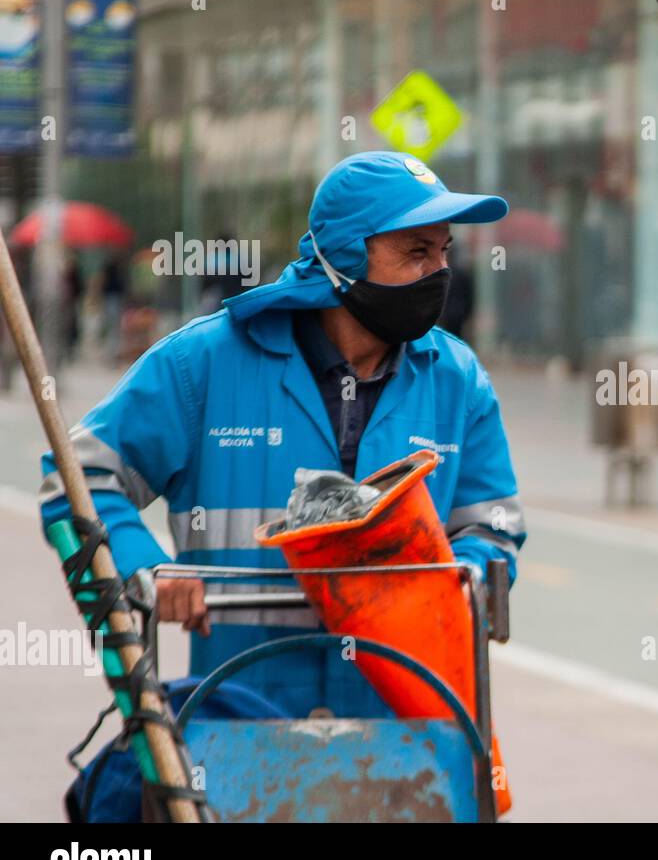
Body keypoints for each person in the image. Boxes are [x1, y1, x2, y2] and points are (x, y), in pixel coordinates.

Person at [39, 151, 526, 718]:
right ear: (344, 255)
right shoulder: (205, 364)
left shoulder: (456, 381)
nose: (437, 274)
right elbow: (76, 480)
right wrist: (145, 569)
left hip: (408, 732)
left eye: (443, 252)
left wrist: (462, 582)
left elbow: (493, 526)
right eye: (415, 252)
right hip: (241, 730)